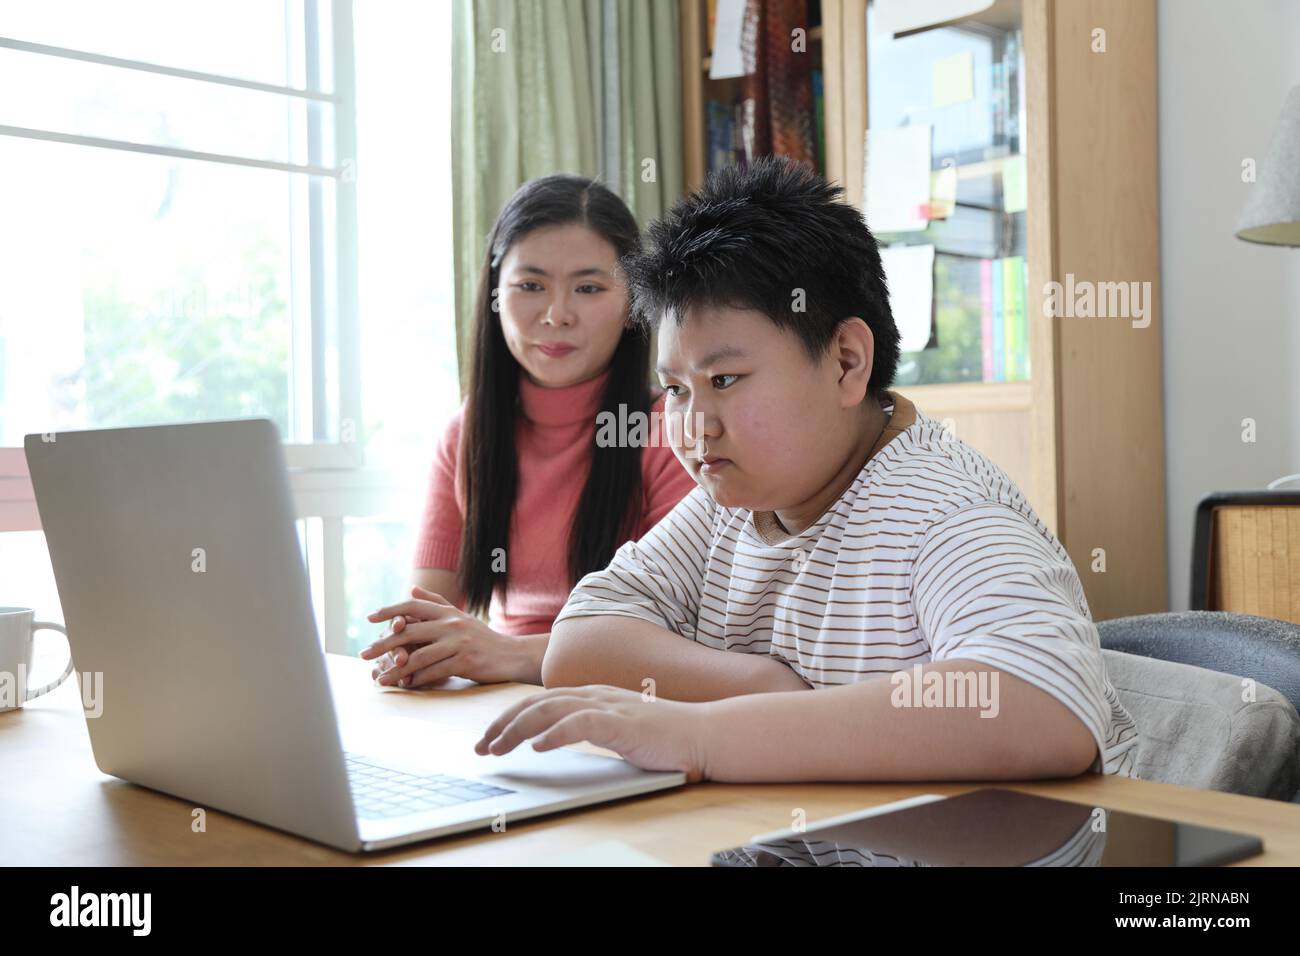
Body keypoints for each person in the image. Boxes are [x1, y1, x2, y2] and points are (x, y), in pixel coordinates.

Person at [469, 156, 1140, 783]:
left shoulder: (944, 508)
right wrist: (769, 686)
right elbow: (581, 643)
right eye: (675, 389)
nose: (694, 426)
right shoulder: (731, 502)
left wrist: (703, 735)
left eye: (726, 378)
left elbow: (1041, 705)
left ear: (846, 361)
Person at [360, 175, 694, 687]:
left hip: (623, 705)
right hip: (493, 700)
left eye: (588, 287)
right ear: (496, 291)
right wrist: (413, 652)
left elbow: (681, 631)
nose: (556, 315)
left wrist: (507, 654)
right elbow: (429, 607)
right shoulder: (465, 435)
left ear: (631, 304)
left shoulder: (667, 433)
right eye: (530, 285)